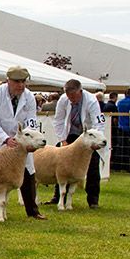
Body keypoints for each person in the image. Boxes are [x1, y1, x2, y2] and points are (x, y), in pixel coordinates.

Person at [0, 67, 40, 217]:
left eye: (23, 81)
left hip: (21, 140)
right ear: (8, 80)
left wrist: (27, 138)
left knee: (28, 170)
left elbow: (32, 120)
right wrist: (5, 139)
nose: (20, 85)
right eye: (17, 81)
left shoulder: (29, 97)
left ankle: (33, 211)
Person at [50, 78, 106, 208]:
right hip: (70, 134)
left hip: (88, 136)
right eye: (69, 96)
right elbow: (58, 120)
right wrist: (62, 140)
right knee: (61, 164)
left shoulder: (91, 101)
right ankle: (57, 197)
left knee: (92, 165)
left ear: (80, 91)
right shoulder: (63, 100)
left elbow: (99, 123)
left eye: (74, 96)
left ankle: (93, 200)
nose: (71, 99)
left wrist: (95, 140)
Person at [113, 88, 130, 173]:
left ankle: (117, 165)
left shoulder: (120, 102)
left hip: (121, 126)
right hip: (129, 127)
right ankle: (127, 165)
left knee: (120, 147)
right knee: (128, 148)